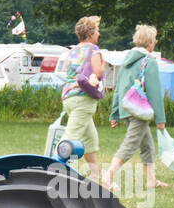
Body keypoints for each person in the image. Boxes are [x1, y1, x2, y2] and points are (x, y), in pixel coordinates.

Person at [105, 24, 167, 192]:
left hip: (127, 109)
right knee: (130, 144)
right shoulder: (149, 62)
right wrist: (160, 119)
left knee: (147, 145)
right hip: (140, 110)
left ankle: (151, 180)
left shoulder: (126, 61)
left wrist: (115, 113)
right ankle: (109, 175)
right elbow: (154, 92)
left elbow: (118, 89)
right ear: (151, 43)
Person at [61, 15, 107, 180]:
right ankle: (52, 170)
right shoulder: (94, 50)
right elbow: (96, 74)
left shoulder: (72, 50)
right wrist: (103, 66)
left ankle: (96, 174)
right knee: (70, 137)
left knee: (89, 137)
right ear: (90, 33)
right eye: (97, 31)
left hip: (68, 98)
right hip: (83, 99)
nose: (99, 34)